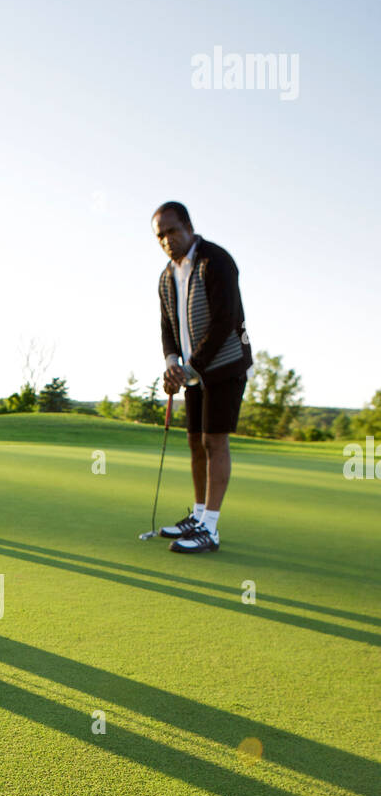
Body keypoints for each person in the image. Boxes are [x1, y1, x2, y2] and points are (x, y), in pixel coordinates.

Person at [152, 202, 252, 554]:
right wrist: (172, 364)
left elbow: (226, 319)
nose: (167, 240)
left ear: (189, 226)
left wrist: (190, 366)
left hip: (225, 365)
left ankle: (209, 526)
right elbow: (168, 326)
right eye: (160, 235)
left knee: (214, 441)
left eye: (172, 231)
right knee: (195, 441)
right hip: (192, 372)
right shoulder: (167, 275)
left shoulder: (215, 261)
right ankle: (196, 516)